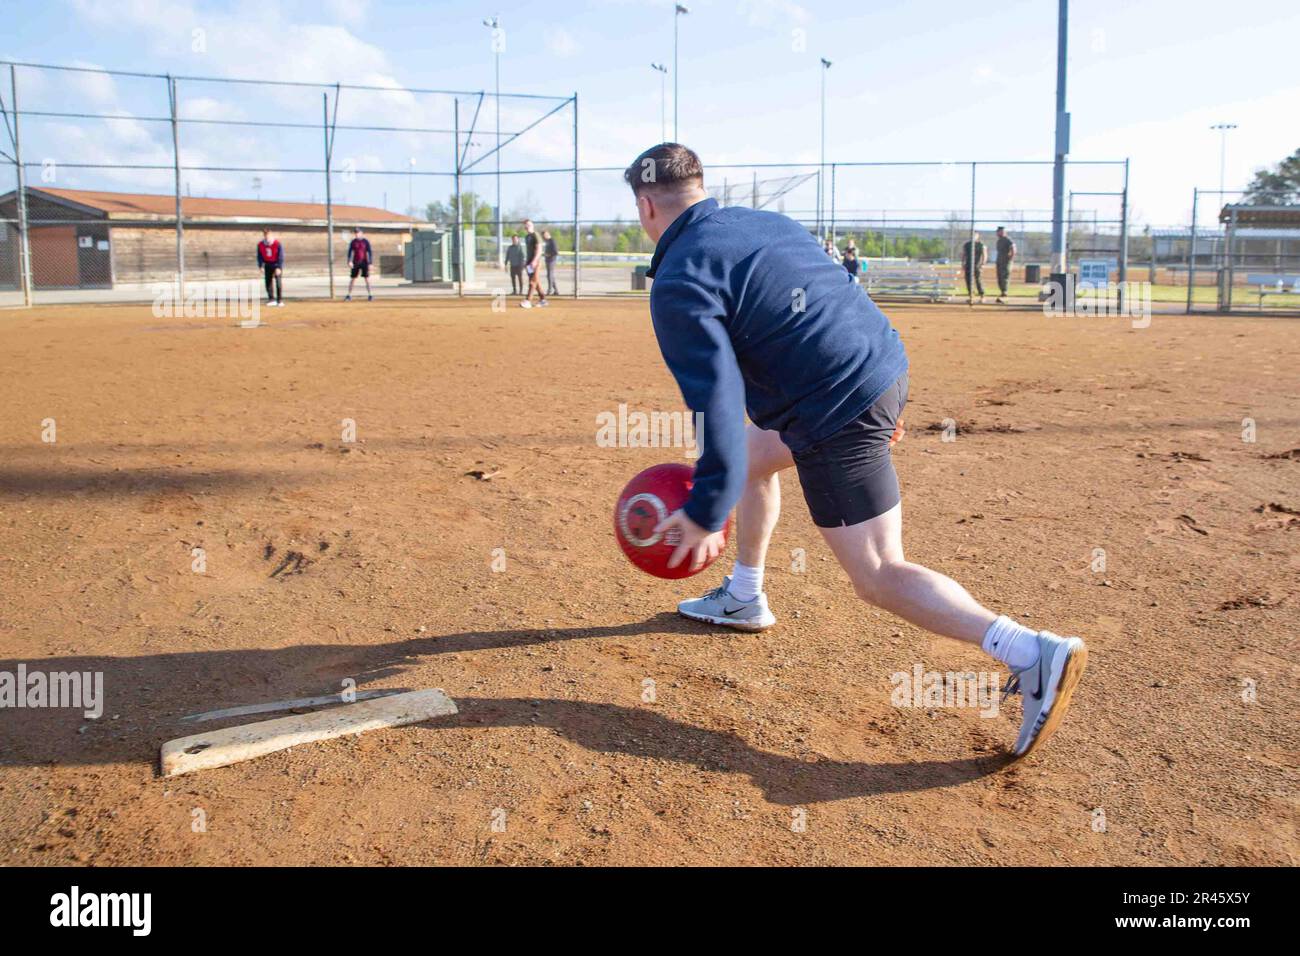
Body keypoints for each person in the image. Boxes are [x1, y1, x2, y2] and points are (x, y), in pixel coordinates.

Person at [624, 142, 1086, 758]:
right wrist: (881, 390)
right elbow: (843, 295)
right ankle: (745, 593)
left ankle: (1029, 651)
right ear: (701, 188)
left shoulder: (679, 277)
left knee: (879, 573)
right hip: (880, 364)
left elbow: (714, 397)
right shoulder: (766, 223)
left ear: (646, 206)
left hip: (834, 408)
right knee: (753, 459)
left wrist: (708, 510)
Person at [520, 219, 548, 309]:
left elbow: (539, 249)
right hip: (529, 262)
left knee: (533, 281)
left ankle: (528, 300)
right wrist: (527, 261)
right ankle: (543, 299)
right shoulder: (527, 237)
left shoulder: (536, 235)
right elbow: (529, 250)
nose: (526, 226)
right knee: (536, 281)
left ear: (532, 225)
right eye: (525, 225)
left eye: (528, 224)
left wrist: (535, 261)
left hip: (536, 261)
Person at [257, 228, 284, 307]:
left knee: (278, 282)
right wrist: (261, 265)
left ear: (271, 235)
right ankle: (271, 299)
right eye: (265, 235)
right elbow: (260, 256)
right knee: (268, 282)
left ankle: (279, 300)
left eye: (268, 235)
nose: (266, 237)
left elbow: (281, 256)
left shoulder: (277, 243)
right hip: (267, 264)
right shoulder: (260, 244)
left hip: (276, 264)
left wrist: (279, 267)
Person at [345, 227, 373, 301]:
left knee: (367, 278)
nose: (356, 234)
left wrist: (370, 263)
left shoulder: (365, 241)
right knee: (353, 279)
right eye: (355, 233)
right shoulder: (353, 242)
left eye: (358, 232)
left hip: (364, 262)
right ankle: (349, 295)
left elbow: (369, 252)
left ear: (361, 233)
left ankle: (370, 295)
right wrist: (349, 261)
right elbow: (350, 252)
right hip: (355, 262)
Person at [961, 232, 986, 302]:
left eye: (975, 235)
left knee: (978, 280)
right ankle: (971, 296)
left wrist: (983, 264)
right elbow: (964, 254)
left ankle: (982, 296)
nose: (973, 236)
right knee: (968, 281)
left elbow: (984, 255)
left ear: (978, 236)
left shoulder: (981, 245)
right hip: (968, 265)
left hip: (977, 265)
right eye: (972, 235)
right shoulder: (967, 245)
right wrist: (963, 263)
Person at [994, 226, 1016, 304]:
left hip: (1006, 262)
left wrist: (1011, 258)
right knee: (999, 277)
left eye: (1001, 231)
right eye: (998, 231)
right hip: (999, 261)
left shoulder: (1007, 240)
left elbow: (1013, 248)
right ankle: (1002, 292)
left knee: (1005, 277)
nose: (999, 233)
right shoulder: (999, 241)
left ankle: (1005, 292)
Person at [543, 229, 559, 296]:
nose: (544, 237)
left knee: (550, 275)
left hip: (552, 260)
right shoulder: (547, 241)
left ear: (548, 234)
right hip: (548, 260)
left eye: (544, 235)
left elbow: (555, 252)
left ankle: (549, 290)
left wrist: (548, 254)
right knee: (550, 275)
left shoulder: (552, 241)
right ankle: (556, 291)